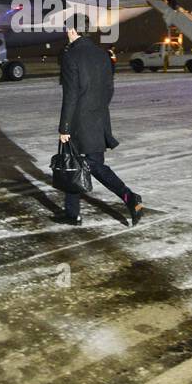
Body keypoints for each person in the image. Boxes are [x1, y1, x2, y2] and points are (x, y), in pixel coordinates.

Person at [58, 14, 144, 226]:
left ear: (72, 31)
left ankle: (128, 197)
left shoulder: (71, 56)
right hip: (99, 118)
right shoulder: (102, 54)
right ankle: (73, 212)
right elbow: (109, 89)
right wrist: (98, 109)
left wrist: (65, 127)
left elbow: (70, 95)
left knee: (76, 164)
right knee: (84, 164)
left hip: (78, 122)